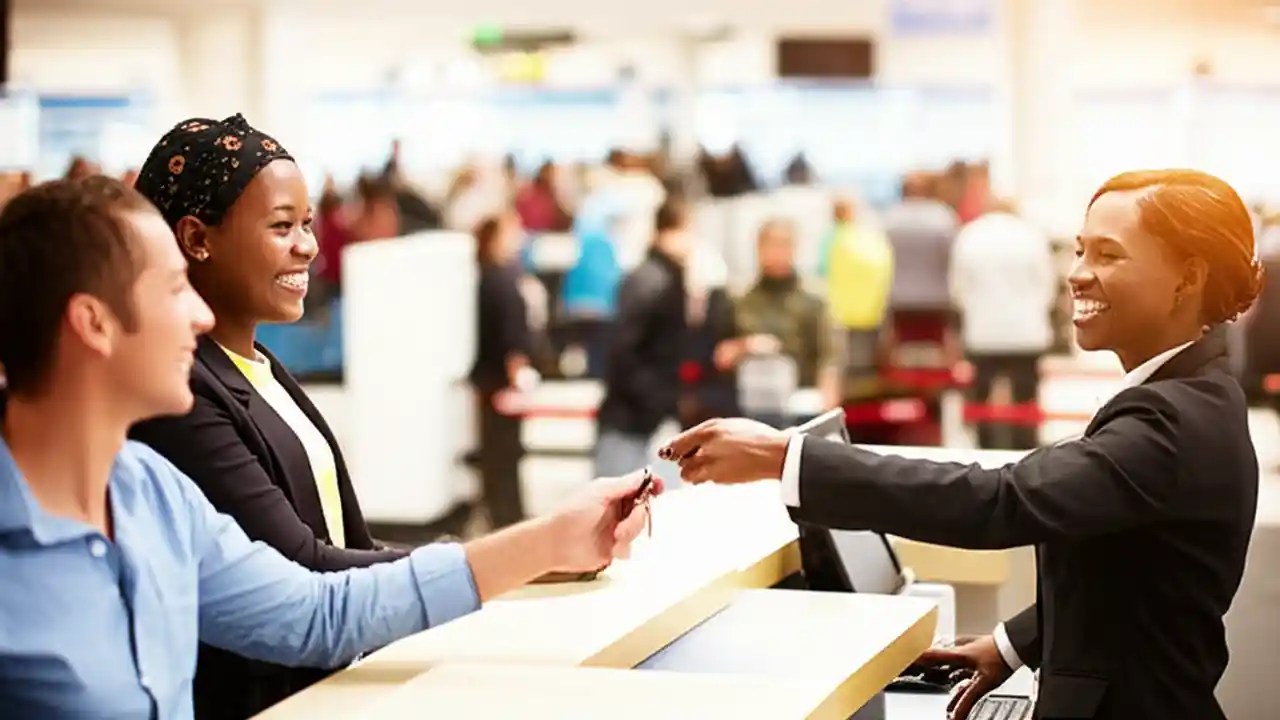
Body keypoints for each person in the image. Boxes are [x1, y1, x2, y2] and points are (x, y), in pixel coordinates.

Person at [0, 175, 657, 720]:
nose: (198, 315)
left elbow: (316, 612)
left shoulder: (156, 497)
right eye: (174, 290)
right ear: (93, 322)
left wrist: (551, 541)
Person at [660, 169, 1262, 720]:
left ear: (1188, 277)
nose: (1078, 273)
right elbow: (1129, 588)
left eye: (1108, 254)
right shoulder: (1193, 393)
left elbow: (1003, 501)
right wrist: (1009, 647)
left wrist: (786, 458)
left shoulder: (1170, 420)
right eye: (1080, 251)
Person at [594, 198, 692, 479]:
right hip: (632, 419)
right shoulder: (653, 281)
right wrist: (655, 398)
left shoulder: (661, 277)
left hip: (646, 415)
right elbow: (624, 350)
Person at [950, 198, 1058, 449]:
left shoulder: (970, 235)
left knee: (982, 397)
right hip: (1027, 331)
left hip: (982, 331)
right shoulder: (1032, 236)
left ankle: (985, 448)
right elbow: (1047, 284)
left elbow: (958, 288)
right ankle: (1026, 448)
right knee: (1025, 396)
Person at [718, 219, 839, 426]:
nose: (776, 252)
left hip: (800, 405)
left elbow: (828, 358)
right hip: (750, 407)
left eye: (782, 245)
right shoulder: (740, 299)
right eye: (769, 245)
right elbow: (722, 355)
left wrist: (827, 413)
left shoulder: (812, 299)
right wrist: (747, 346)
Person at [469, 212, 537, 528]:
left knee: (498, 456)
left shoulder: (488, 276)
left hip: (489, 381)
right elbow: (511, 334)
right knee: (504, 456)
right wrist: (517, 376)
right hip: (501, 383)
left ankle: (503, 516)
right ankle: (508, 519)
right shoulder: (503, 280)